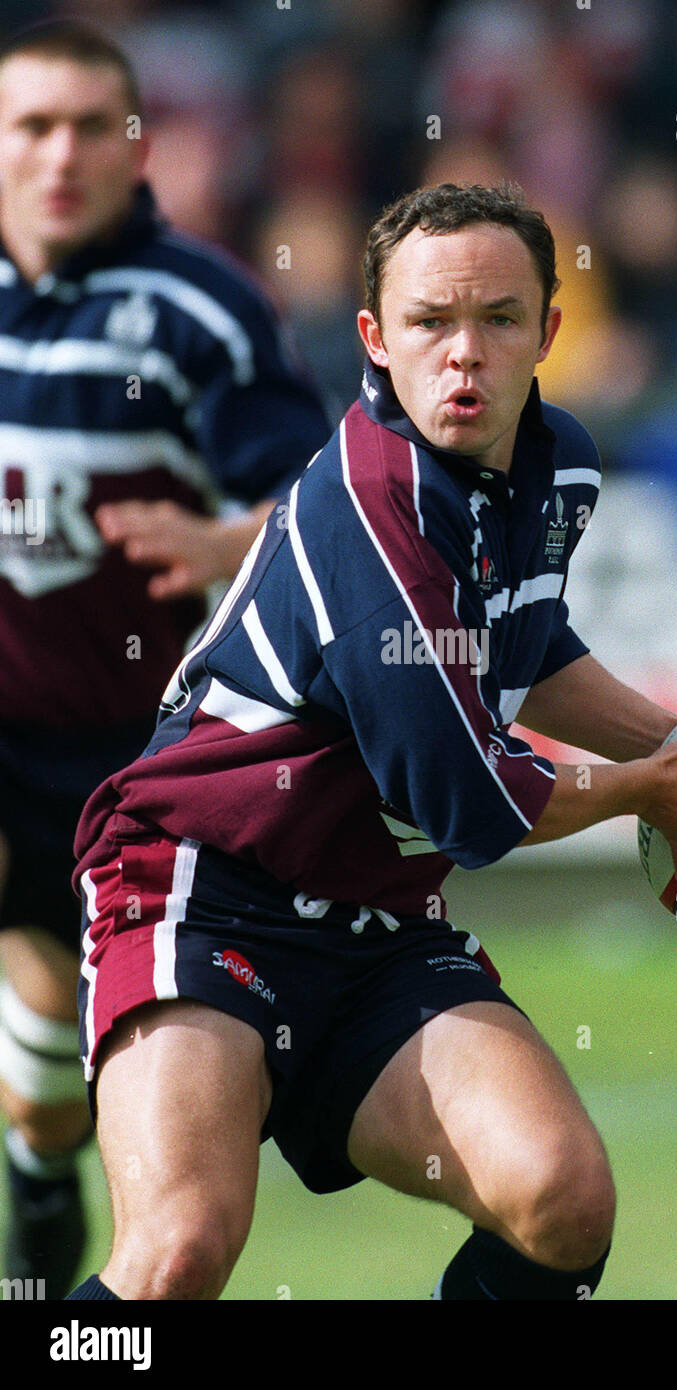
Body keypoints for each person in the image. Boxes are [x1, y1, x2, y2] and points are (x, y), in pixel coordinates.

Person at [66, 182, 677, 1301]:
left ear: (551, 330)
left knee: (559, 1198)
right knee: (174, 1260)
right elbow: (462, 794)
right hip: (202, 896)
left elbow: (530, 640)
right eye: (428, 323)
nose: (465, 354)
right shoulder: (371, 507)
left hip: (378, 928)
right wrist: (655, 788)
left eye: (499, 319)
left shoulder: (555, 466)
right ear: (373, 339)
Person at [0, 20, 330, 1298]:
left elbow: (329, 522)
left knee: (50, 1107)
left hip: (130, 762)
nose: (60, 153)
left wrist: (220, 538)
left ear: (136, 144)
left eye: (91, 124)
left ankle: (38, 1176)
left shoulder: (202, 313)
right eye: (32, 125)